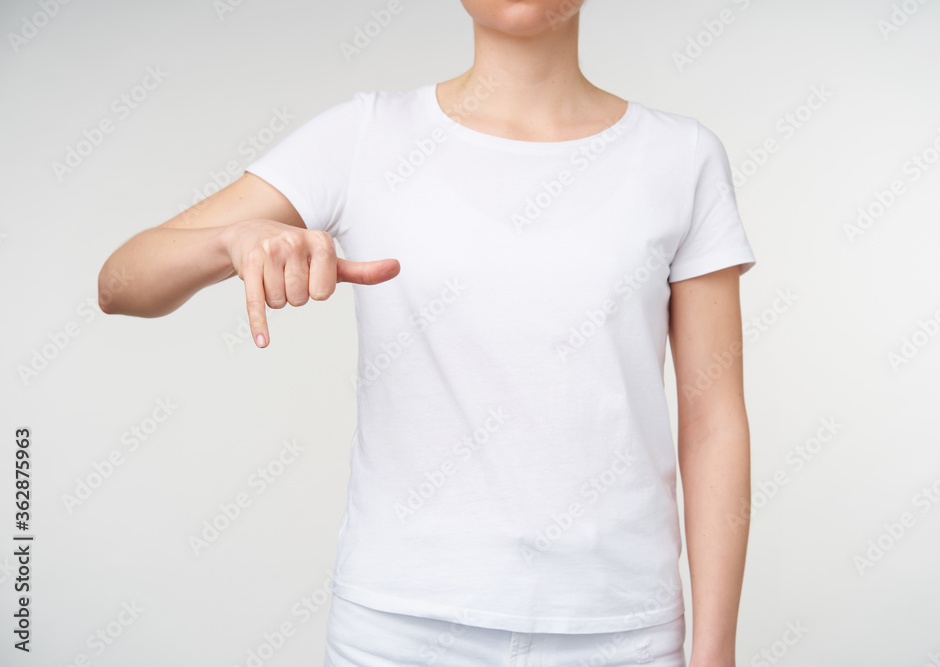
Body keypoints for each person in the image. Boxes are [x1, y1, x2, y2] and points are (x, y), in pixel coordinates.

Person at [98, 1, 755, 665]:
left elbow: (712, 420)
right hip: (397, 630)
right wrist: (231, 241)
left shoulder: (681, 157)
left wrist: (716, 650)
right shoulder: (367, 135)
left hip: (619, 631)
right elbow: (121, 281)